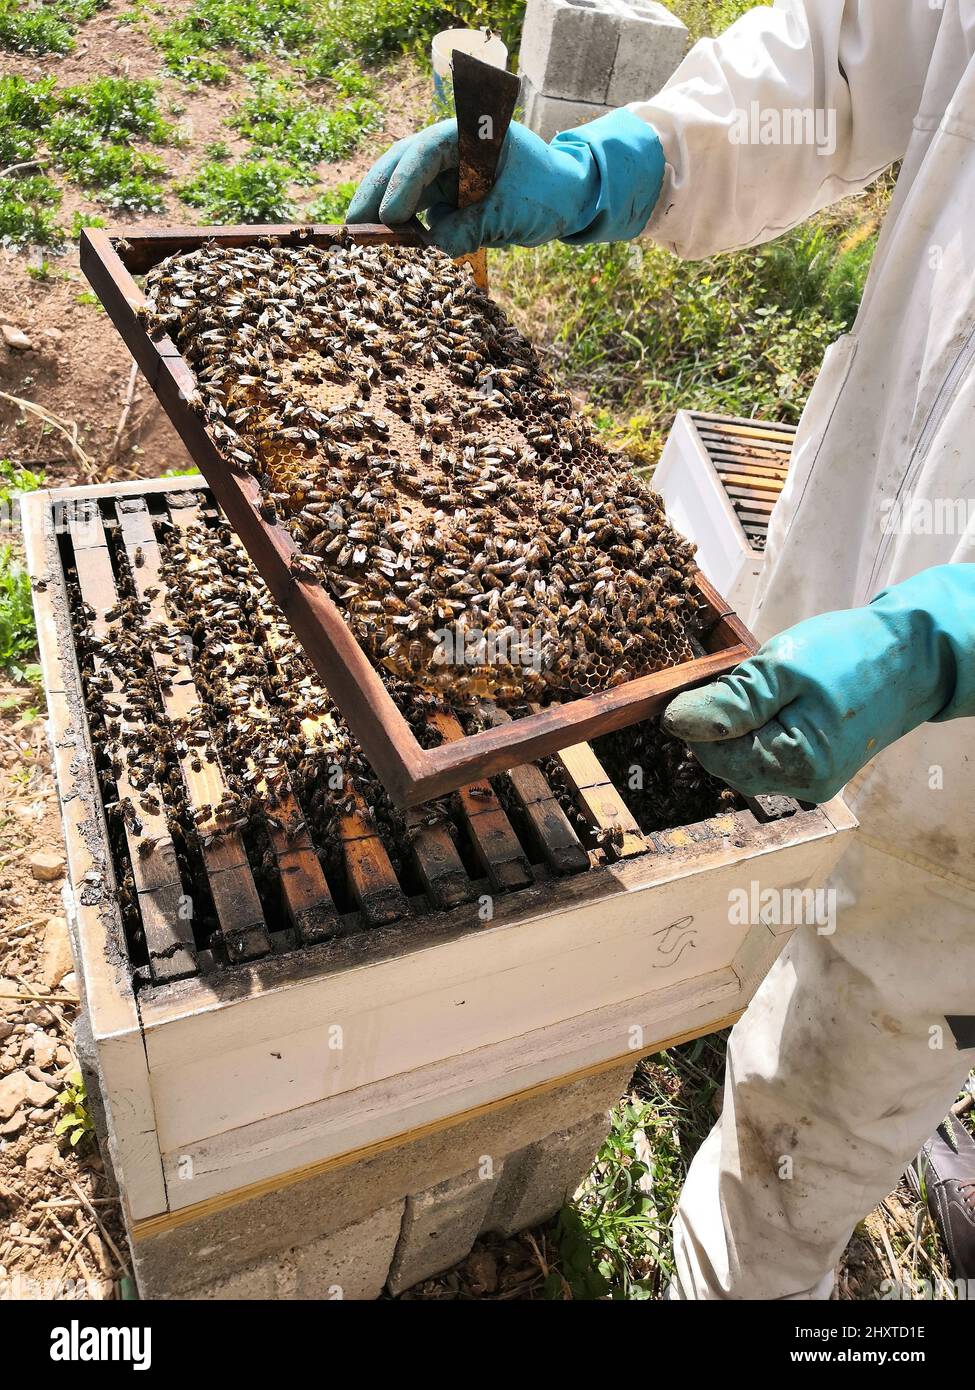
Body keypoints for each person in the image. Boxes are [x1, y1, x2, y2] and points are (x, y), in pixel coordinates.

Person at [348, 0, 975, 1299]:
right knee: (744, 890)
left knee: (825, 1102)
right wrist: (616, 166)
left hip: (969, 820)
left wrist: (945, 640)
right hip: (849, 557)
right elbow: (848, 49)